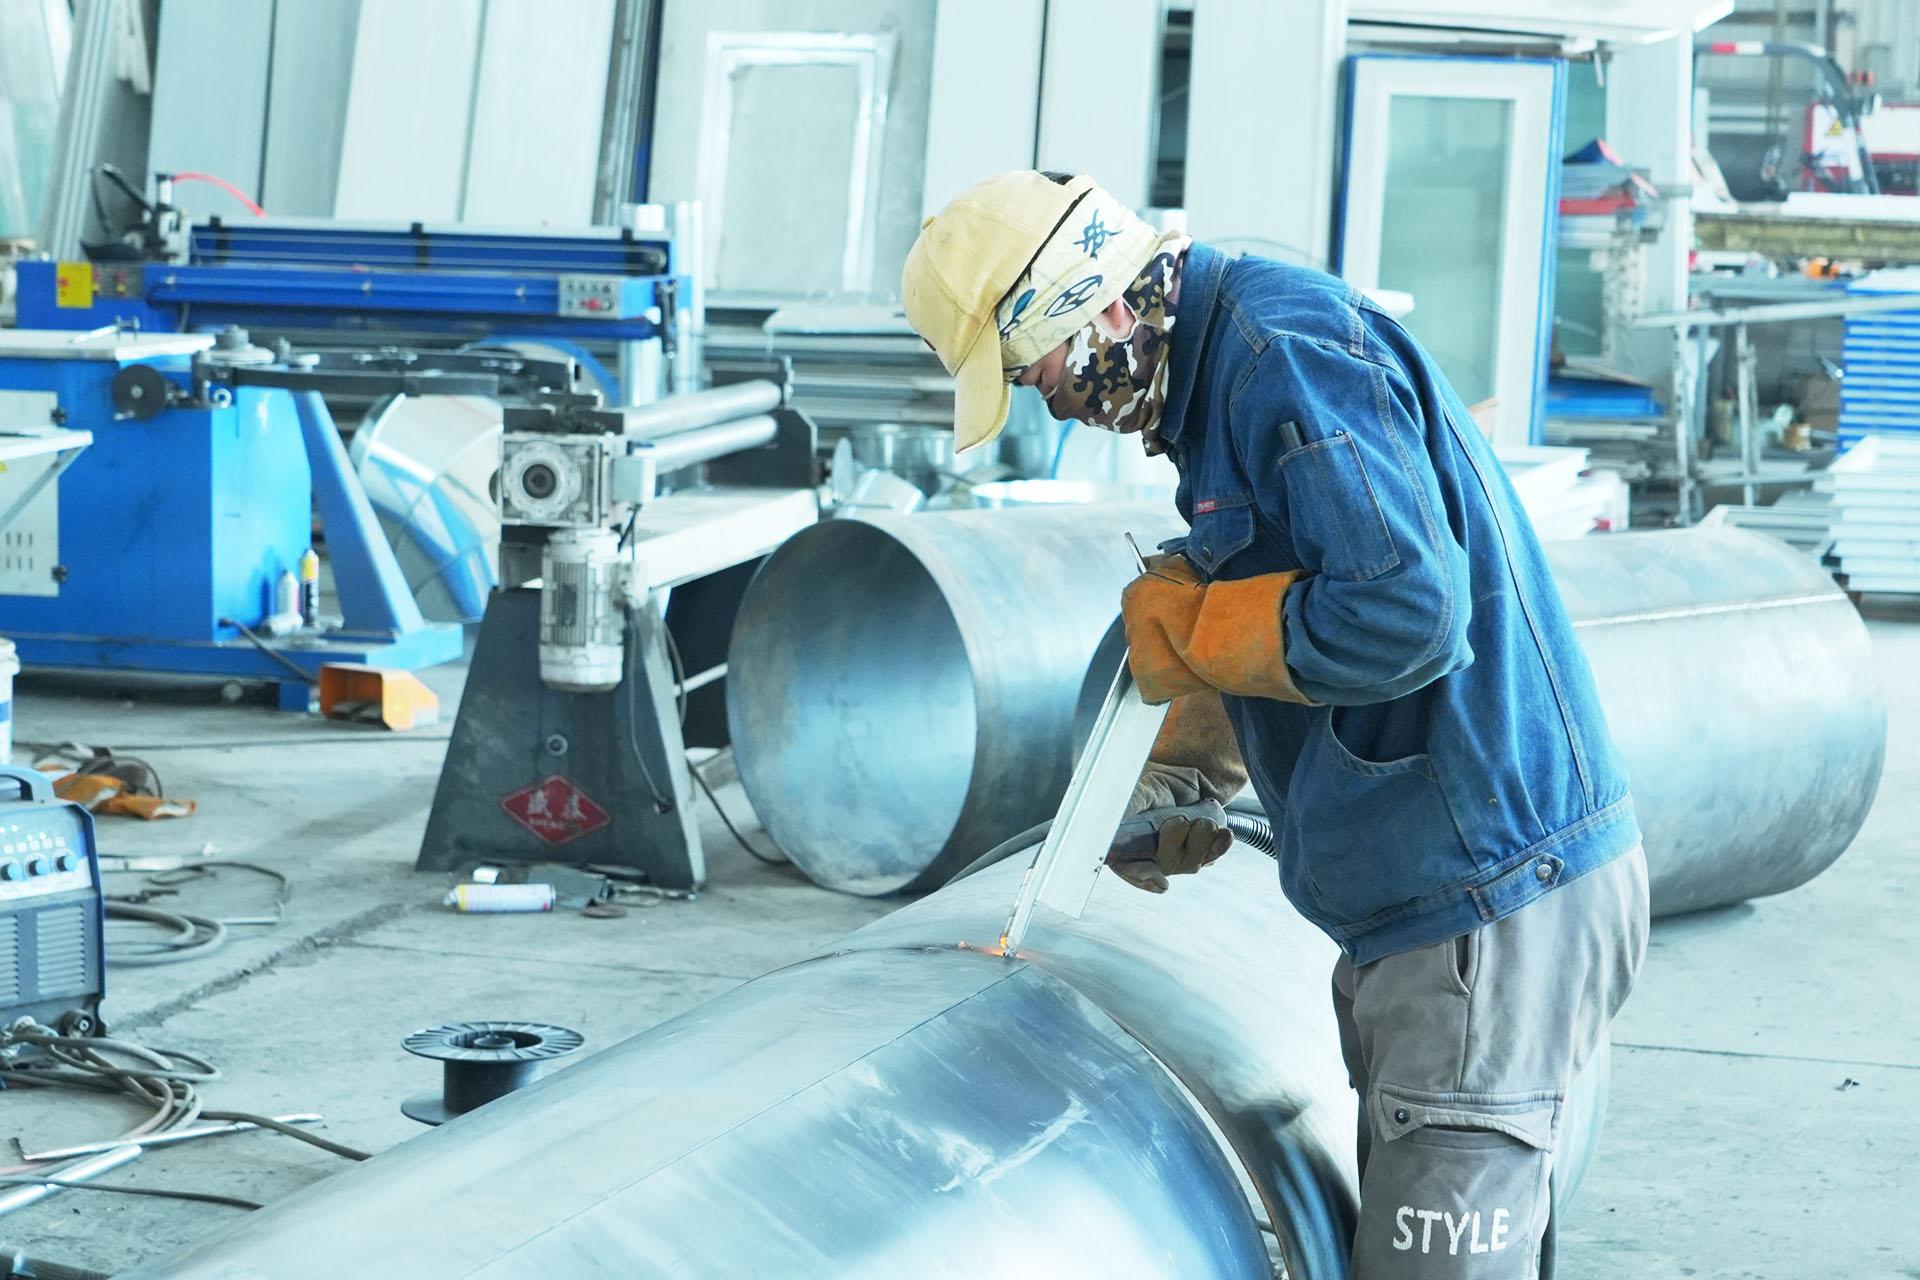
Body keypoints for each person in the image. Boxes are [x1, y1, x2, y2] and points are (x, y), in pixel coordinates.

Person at [900, 170, 1650, 1279]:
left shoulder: (1280, 355)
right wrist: (1187, 769)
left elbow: (1408, 611)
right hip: (1439, 908)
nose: (1049, 404)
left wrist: (1209, 629)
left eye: (1033, 369)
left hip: (1488, 910)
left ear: (1099, 305)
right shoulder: (1217, 384)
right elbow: (1303, 582)